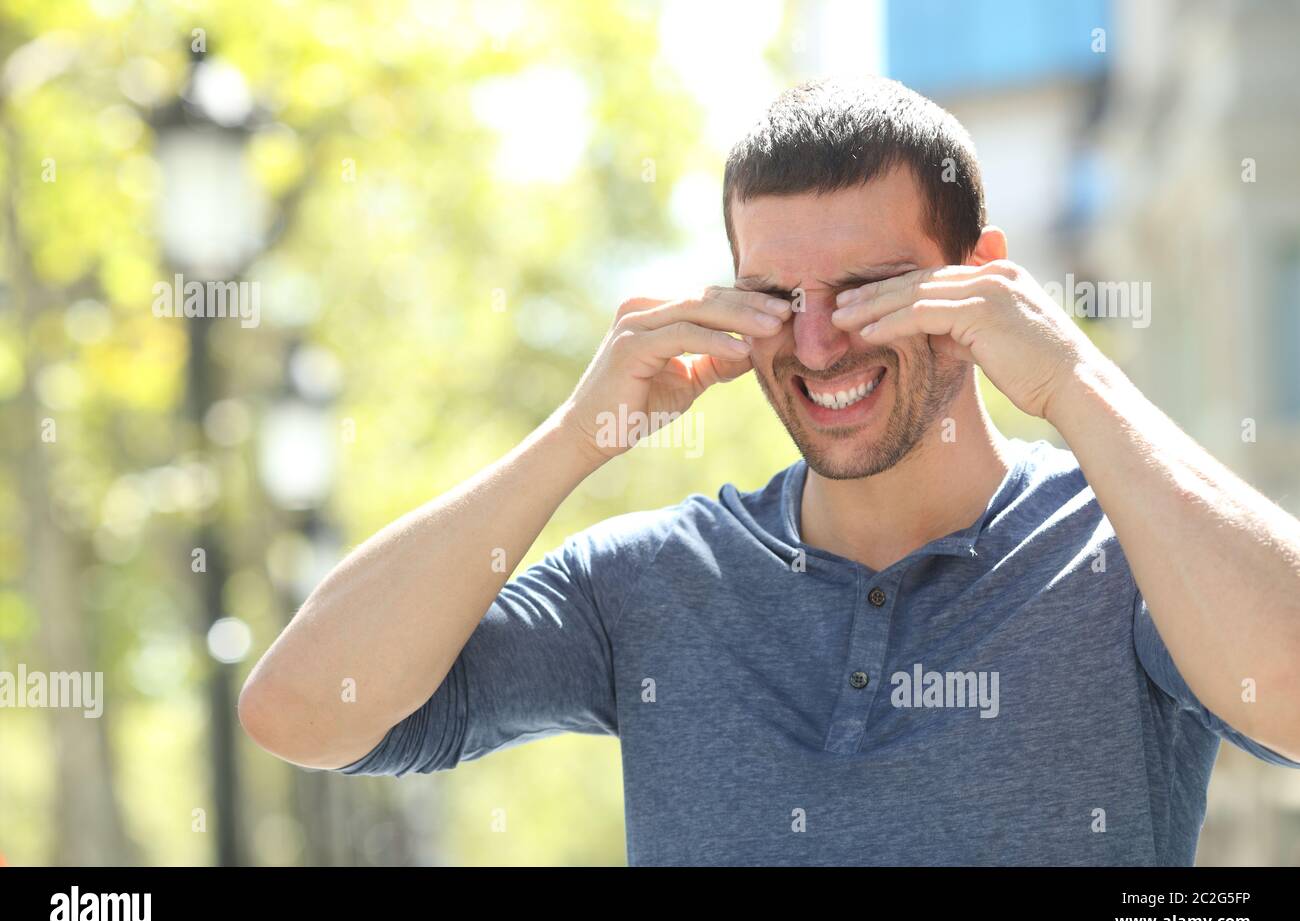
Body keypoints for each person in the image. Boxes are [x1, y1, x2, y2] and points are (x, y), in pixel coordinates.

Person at [238, 76, 1300, 865]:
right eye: (778, 296)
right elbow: (302, 709)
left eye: (871, 287)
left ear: (981, 279)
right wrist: (572, 437)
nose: (822, 341)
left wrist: (1074, 379)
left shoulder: (1125, 552)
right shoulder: (652, 581)